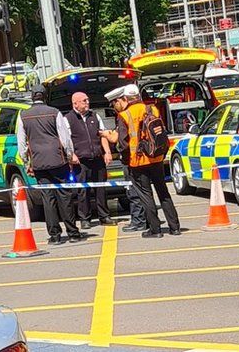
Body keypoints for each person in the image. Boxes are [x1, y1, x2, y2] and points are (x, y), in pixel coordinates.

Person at [102, 84, 180, 238]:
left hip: (137, 162)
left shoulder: (124, 115)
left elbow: (123, 143)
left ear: (125, 98)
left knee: (146, 195)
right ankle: (175, 227)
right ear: (138, 96)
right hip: (156, 157)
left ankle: (155, 229)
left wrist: (119, 152)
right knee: (163, 192)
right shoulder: (152, 109)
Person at [16, 89, 84, 245]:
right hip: (58, 160)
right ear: (45, 97)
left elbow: (21, 143)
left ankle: (54, 235)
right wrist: (69, 156)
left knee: (48, 198)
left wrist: (27, 162)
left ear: (32, 98)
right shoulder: (55, 112)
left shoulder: (23, 116)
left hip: (39, 163)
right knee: (65, 196)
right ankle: (72, 232)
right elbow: (65, 138)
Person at [65, 92, 117, 229]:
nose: (87, 102)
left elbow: (103, 135)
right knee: (83, 190)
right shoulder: (68, 119)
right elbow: (66, 140)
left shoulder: (94, 116)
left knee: (101, 188)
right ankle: (84, 218)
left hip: (97, 159)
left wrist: (107, 152)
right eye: (83, 101)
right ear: (75, 104)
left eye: (87, 100)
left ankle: (104, 216)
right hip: (81, 161)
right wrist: (71, 155)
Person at [104, 87, 146, 234]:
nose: (114, 109)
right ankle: (146, 219)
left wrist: (115, 146)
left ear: (120, 100)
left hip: (131, 159)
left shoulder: (125, 115)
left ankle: (138, 221)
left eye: (114, 104)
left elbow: (120, 141)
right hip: (146, 158)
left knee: (133, 191)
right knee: (145, 191)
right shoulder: (147, 109)